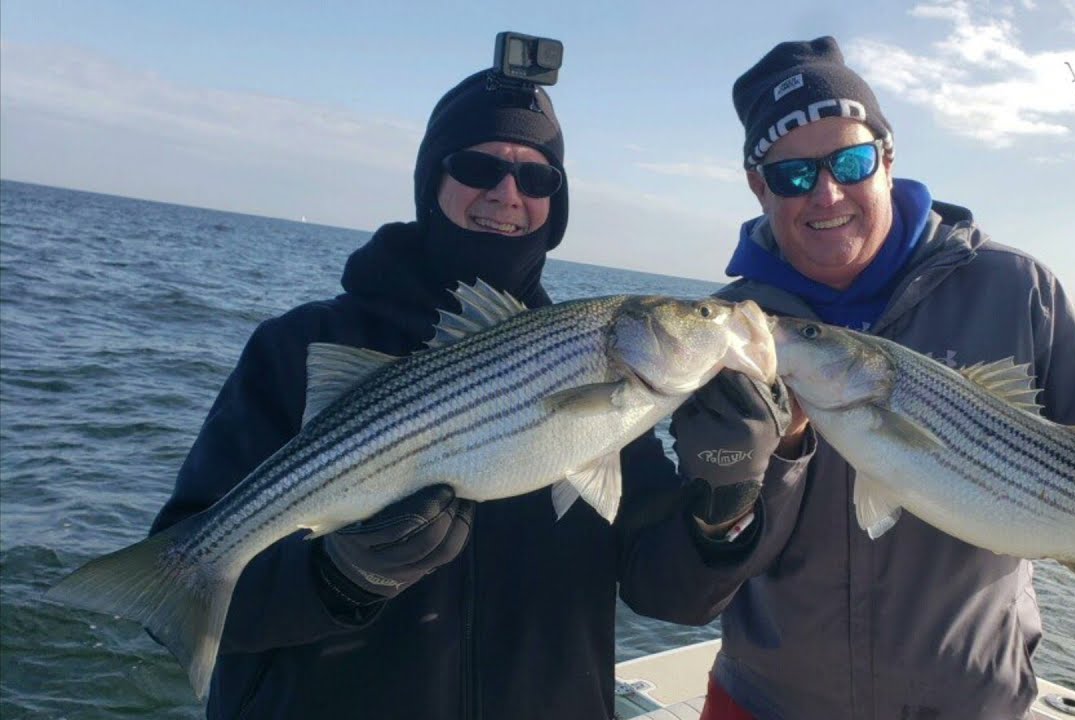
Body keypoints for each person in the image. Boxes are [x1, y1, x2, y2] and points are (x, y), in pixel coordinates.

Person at [662, 37, 1075, 720]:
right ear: (758, 184)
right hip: (766, 701)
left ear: (888, 160)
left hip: (968, 703)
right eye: (794, 175)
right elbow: (698, 560)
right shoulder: (728, 329)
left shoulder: (1015, 287)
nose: (826, 193)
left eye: (851, 162)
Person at [148, 64, 695, 719]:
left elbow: (675, 596)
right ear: (431, 178)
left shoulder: (598, 379)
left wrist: (730, 496)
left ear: (557, 204)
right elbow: (182, 587)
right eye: (477, 166)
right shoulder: (300, 345)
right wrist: (334, 577)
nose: (506, 192)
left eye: (537, 175)